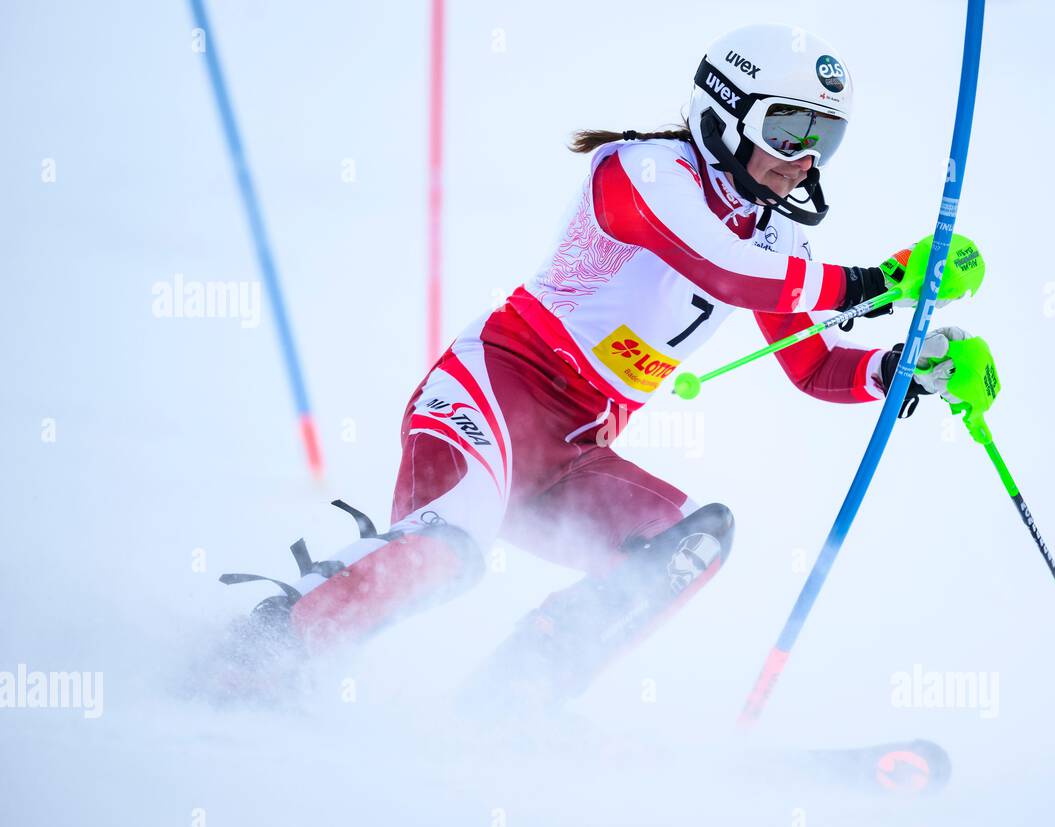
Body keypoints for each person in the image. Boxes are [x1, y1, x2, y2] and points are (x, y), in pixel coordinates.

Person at [222, 23, 973, 710]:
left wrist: (910, 366)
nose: (804, 157)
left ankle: (511, 700)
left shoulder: (773, 241)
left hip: (572, 458)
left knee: (691, 544)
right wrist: (881, 282)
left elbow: (811, 366)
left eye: (824, 137)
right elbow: (727, 273)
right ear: (724, 112)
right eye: (787, 127)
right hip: (492, 397)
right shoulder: (643, 173)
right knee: (445, 553)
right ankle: (264, 651)